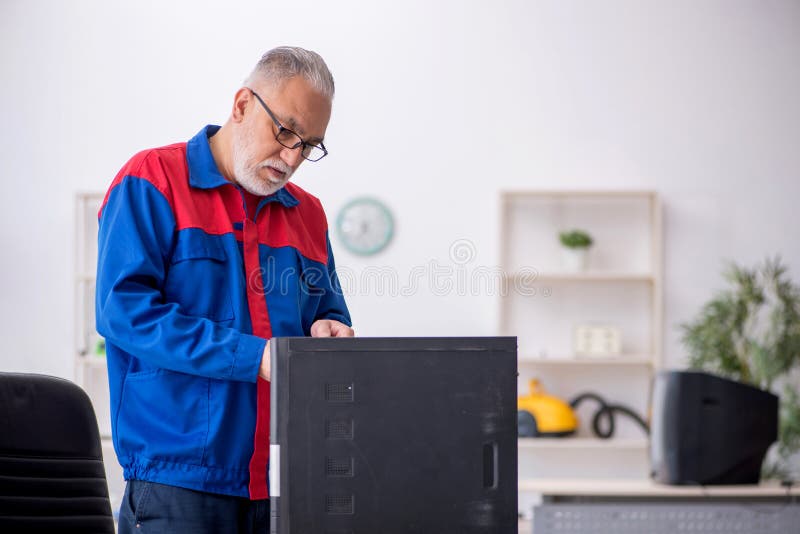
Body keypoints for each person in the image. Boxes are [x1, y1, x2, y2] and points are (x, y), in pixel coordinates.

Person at [96, 46, 354, 533]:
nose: (293, 156)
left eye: (310, 144)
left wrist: (329, 329)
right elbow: (124, 312)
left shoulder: (309, 214)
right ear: (241, 106)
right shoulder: (151, 181)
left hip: (284, 480)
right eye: (285, 131)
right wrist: (250, 356)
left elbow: (329, 310)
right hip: (178, 484)